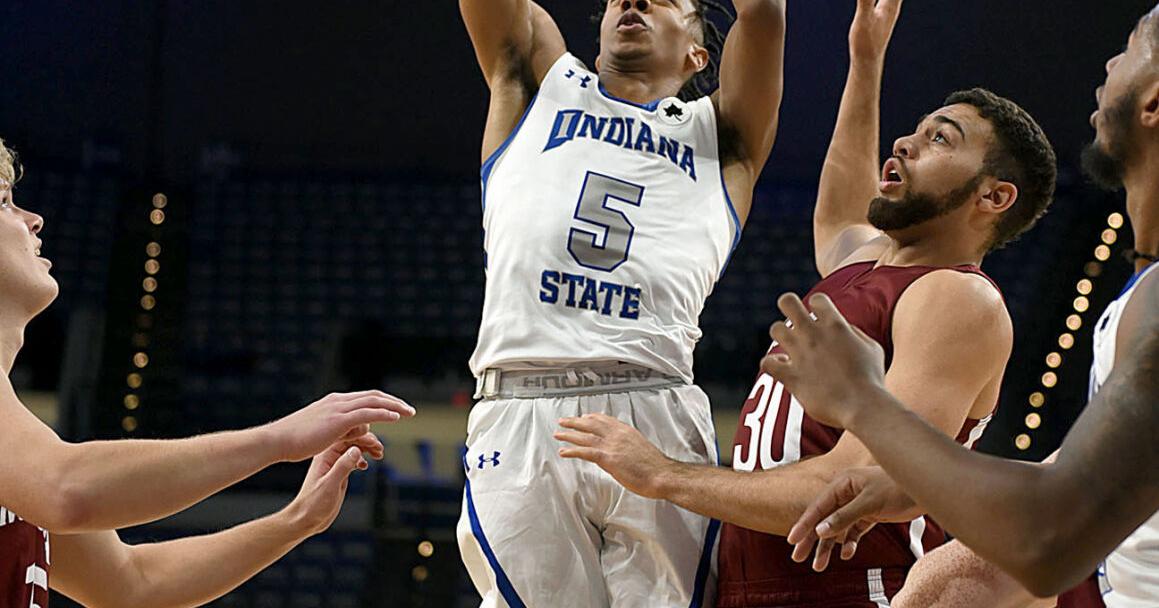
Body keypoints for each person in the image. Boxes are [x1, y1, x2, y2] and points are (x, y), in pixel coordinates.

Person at [555, 0, 1059, 605]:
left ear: (994, 197)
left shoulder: (958, 298)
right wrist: (865, 60)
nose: (906, 143)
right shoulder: (868, 263)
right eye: (917, 129)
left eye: (939, 139)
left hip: (851, 590)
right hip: (755, 585)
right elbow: (842, 213)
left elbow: (845, 485)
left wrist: (664, 476)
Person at [780, 6, 1159, 605]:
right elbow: (1081, 477)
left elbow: (1047, 543)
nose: (1110, 63)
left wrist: (863, 400)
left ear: (1154, 102)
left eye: (1130, 47)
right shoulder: (1144, 290)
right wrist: (918, 485)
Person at [456, 0, 786, 605]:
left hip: (655, 404)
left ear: (698, 54)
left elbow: (764, 15)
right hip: (524, 403)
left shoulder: (723, 135)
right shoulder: (538, 82)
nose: (632, 1)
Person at [0, 141, 416, 606]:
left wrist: (297, 520)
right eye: (4, 202)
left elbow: (131, 585)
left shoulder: (19, 456)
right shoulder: (41, 471)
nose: (33, 218)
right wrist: (279, 439)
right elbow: (66, 490)